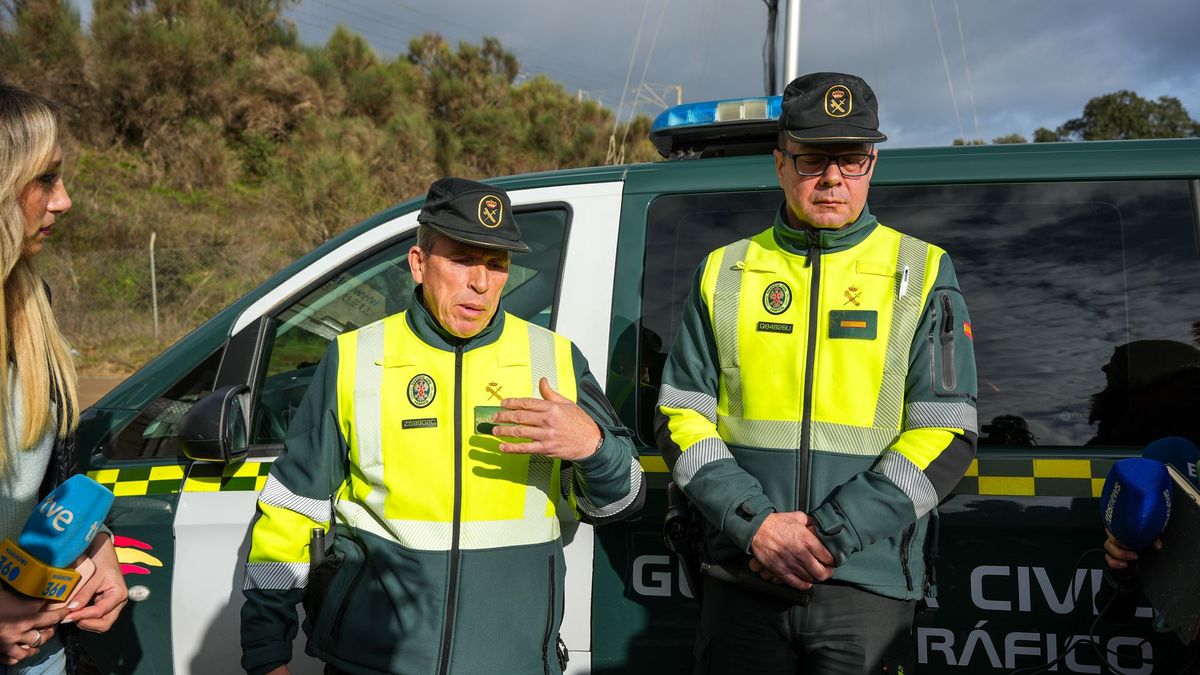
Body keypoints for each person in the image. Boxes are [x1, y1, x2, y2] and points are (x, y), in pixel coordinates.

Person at [240, 177, 645, 675]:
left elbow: (623, 497)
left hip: (510, 661)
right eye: (461, 259)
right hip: (372, 662)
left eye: (496, 266)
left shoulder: (553, 359)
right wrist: (265, 653)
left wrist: (594, 448)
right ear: (418, 262)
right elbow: (291, 510)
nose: (480, 282)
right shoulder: (355, 357)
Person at [655, 72, 978, 673]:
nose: (833, 178)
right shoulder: (723, 271)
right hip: (743, 576)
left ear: (871, 164)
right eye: (811, 160)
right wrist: (757, 527)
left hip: (865, 585)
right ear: (780, 163)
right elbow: (680, 416)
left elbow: (948, 431)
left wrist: (829, 536)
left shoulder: (924, 270)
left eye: (850, 159)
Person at [0, 82, 129, 673]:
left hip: (37, 652)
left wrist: (95, 544)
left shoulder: (35, 301)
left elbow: (47, 476)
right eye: (45, 179)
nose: (65, 201)